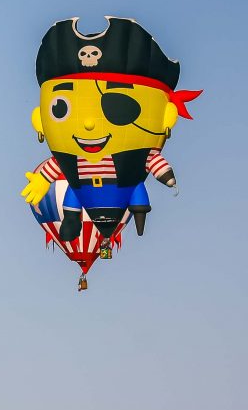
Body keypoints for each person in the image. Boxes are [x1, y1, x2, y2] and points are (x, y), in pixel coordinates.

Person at [21, 17, 198, 250]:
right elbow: (57, 166)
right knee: (75, 193)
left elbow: (153, 161)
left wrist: (167, 177)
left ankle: (128, 215)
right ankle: (72, 219)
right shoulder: (70, 161)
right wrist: (42, 179)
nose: (88, 124)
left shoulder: (136, 157)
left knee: (134, 192)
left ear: (167, 116)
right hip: (83, 189)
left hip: (122, 189)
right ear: (40, 120)